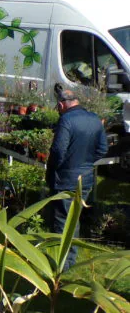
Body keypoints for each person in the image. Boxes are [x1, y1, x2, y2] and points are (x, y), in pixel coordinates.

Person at [46, 87, 108, 271]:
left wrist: (55, 168)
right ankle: (70, 259)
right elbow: (103, 149)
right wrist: (86, 162)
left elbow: (58, 151)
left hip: (66, 178)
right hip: (86, 178)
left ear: (61, 104)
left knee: (62, 220)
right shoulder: (95, 119)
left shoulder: (66, 120)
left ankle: (63, 264)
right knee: (75, 218)